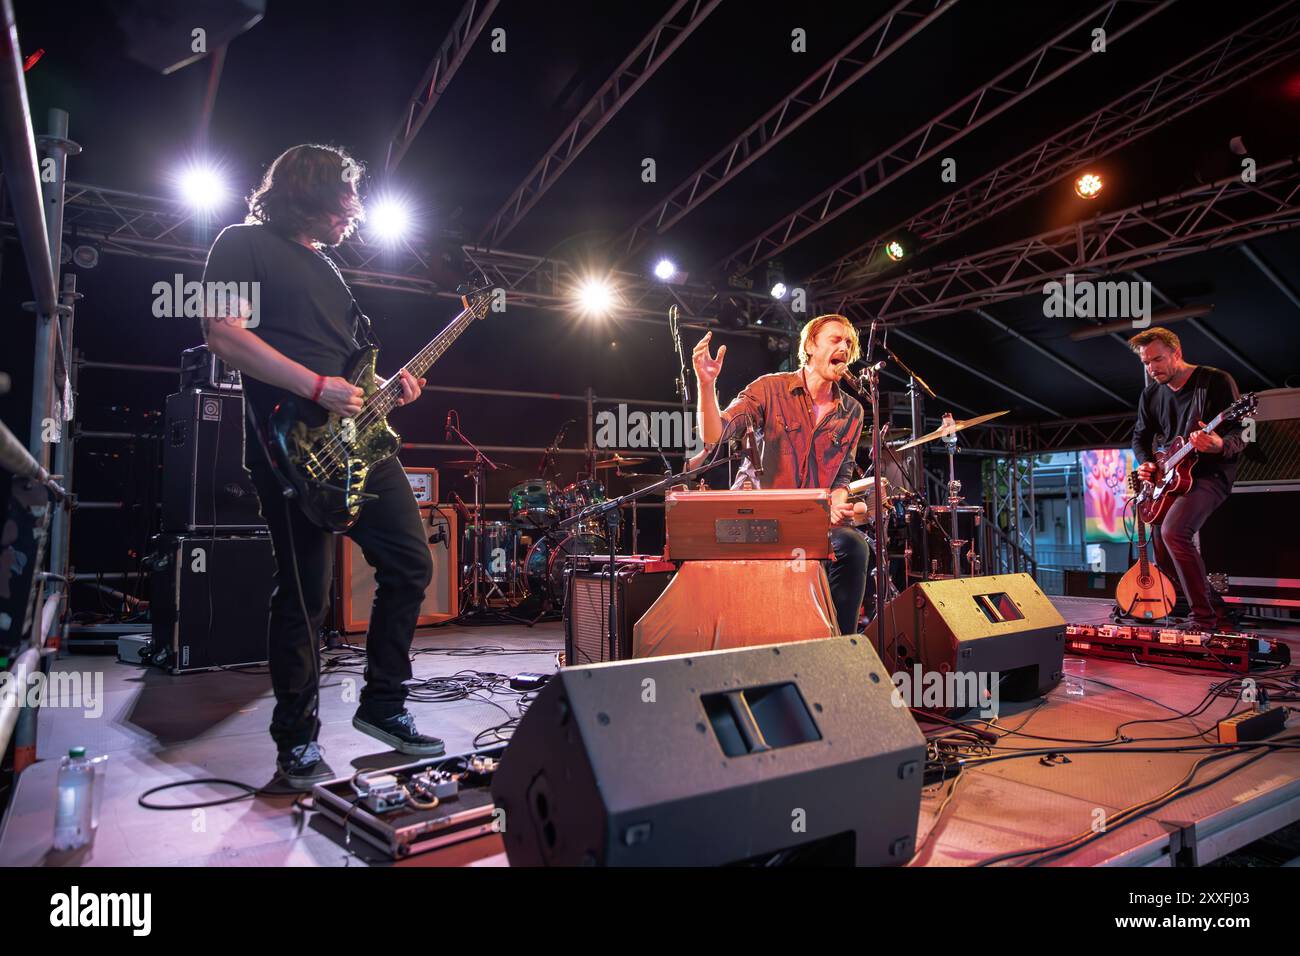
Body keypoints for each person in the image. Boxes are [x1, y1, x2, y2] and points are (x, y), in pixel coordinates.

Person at [201, 144, 443, 789]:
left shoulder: (331, 271)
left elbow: (347, 368)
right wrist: (313, 386)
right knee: (307, 593)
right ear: (307, 193)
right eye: (344, 203)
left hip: (360, 443)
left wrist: (385, 387)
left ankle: (385, 706)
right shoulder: (240, 242)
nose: (353, 217)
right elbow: (221, 333)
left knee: (411, 562)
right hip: (289, 445)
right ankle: (297, 741)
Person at [693, 313, 872, 634]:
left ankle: (838, 647)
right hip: (756, 518)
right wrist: (706, 385)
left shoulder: (853, 411)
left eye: (848, 342)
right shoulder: (770, 389)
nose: (844, 347)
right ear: (810, 346)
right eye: (835, 339)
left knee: (854, 546)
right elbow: (714, 434)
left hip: (807, 522)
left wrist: (838, 504)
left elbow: (842, 475)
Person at [1130, 327, 1244, 631]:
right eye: (1146, 363)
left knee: (1175, 531)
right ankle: (1218, 613)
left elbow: (1241, 433)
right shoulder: (1151, 394)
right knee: (1162, 548)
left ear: (1176, 353)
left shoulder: (1215, 381)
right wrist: (1146, 465)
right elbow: (1139, 439)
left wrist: (1219, 445)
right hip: (1170, 477)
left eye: (1157, 360)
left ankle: (1202, 621)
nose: (1152, 368)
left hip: (1210, 473)